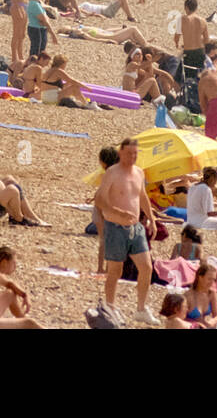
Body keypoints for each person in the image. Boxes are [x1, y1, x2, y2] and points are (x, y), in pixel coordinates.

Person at [94, 137, 158, 325]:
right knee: (115, 270)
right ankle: (110, 306)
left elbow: (142, 196)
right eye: (129, 153)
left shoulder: (139, 172)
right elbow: (99, 199)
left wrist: (152, 219)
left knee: (146, 267)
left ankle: (141, 308)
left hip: (135, 227)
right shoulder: (112, 173)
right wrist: (115, 211)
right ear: (121, 152)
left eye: (135, 153)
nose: (132, 157)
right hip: (115, 227)